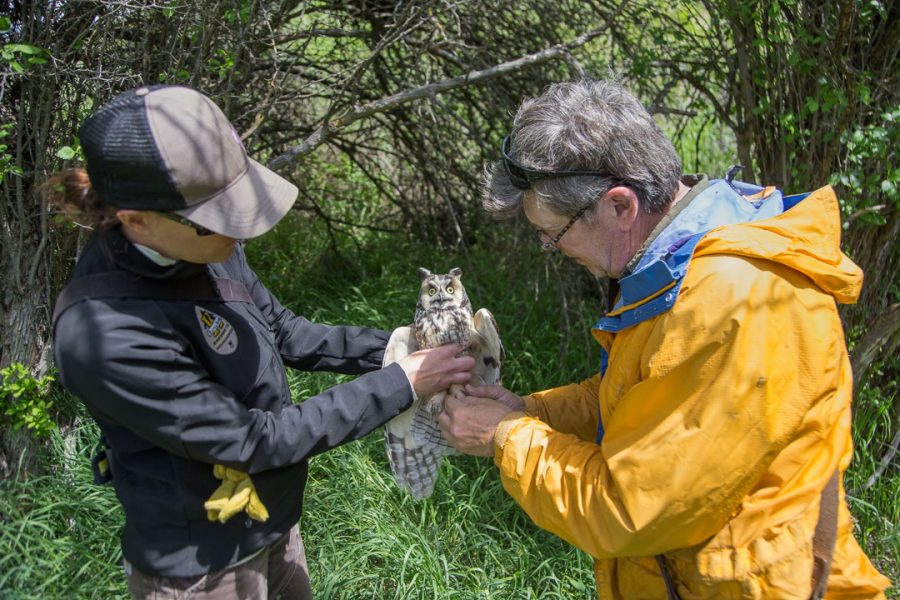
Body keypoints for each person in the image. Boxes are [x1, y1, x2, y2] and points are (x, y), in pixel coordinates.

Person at [438, 80, 891, 599]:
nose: (550, 248)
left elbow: (630, 510)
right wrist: (530, 409)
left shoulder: (728, 301)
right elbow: (645, 396)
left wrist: (507, 436)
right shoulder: (676, 260)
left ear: (620, 207)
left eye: (553, 234)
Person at [47, 84, 475, 599]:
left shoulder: (207, 245)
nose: (239, 234)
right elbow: (254, 440)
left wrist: (405, 345)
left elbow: (285, 331)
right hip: (203, 566)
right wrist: (400, 384)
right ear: (137, 220)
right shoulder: (105, 333)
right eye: (219, 219)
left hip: (273, 521)